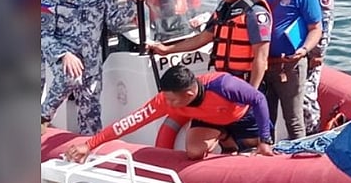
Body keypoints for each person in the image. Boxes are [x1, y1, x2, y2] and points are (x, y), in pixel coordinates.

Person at [64, 65, 275, 162]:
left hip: (241, 115)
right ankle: (225, 138)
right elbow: (127, 123)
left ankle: (243, 141)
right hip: (210, 120)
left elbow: (258, 99)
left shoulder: (224, 85)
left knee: (254, 151)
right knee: (193, 152)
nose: (169, 104)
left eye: (173, 99)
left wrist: (265, 140)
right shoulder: (164, 100)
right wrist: (89, 145)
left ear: (190, 93)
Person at [41, 0, 142, 135]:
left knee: (91, 114)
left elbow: (113, 22)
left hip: (92, 60)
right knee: (70, 76)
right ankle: (42, 117)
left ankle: (89, 149)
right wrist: (63, 55)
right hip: (65, 56)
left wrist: (133, 2)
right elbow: (43, 33)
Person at [250, 0, 335, 133]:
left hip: (301, 54)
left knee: (303, 106)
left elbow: (324, 18)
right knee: (266, 113)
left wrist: (316, 52)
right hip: (270, 58)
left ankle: (312, 140)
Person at [146, 0, 272, 91]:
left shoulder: (254, 13)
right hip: (224, 80)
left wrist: (252, 93)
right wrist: (166, 49)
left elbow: (261, 58)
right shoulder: (223, 9)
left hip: (245, 82)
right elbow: (201, 39)